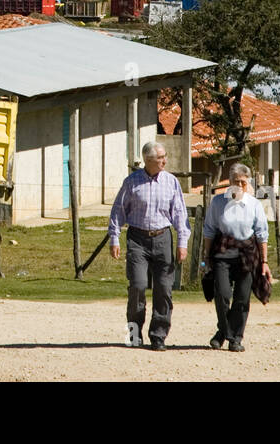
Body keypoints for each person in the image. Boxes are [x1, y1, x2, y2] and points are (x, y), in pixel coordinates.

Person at [108, 142, 190, 351]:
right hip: (137, 239)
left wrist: (182, 242)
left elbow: (180, 213)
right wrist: (114, 237)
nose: (165, 160)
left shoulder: (171, 182)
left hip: (163, 238)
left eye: (165, 156)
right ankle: (134, 335)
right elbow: (118, 210)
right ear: (148, 159)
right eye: (161, 157)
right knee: (137, 286)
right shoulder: (131, 182)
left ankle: (158, 336)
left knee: (163, 289)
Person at [201, 163, 271, 352]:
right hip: (223, 252)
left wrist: (264, 262)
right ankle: (225, 332)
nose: (239, 185)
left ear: (248, 183)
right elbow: (209, 230)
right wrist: (206, 258)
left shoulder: (254, 204)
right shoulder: (217, 202)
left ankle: (233, 338)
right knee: (222, 294)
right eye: (235, 181)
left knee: (241, 298)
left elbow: (262, 234)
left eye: (242, 182)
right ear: (229, 182)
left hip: (247, 254)